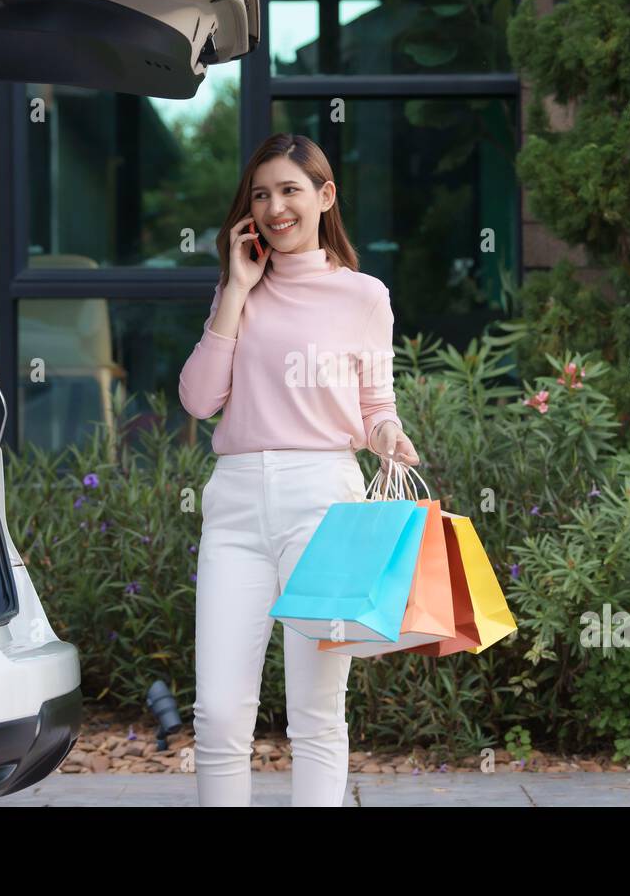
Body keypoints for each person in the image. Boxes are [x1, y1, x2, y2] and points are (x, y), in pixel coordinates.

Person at [178, 133, 419, 806]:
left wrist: (390, 435)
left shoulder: (364, 296)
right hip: (234, 505)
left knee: (316, 713)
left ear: (324, 196)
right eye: (261, 194)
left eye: (290, 190)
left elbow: (376, 403)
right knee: (220, 714)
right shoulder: (239, 290)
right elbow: (198, 399)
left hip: (323, 504)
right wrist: (235, 291)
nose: (275, 207)